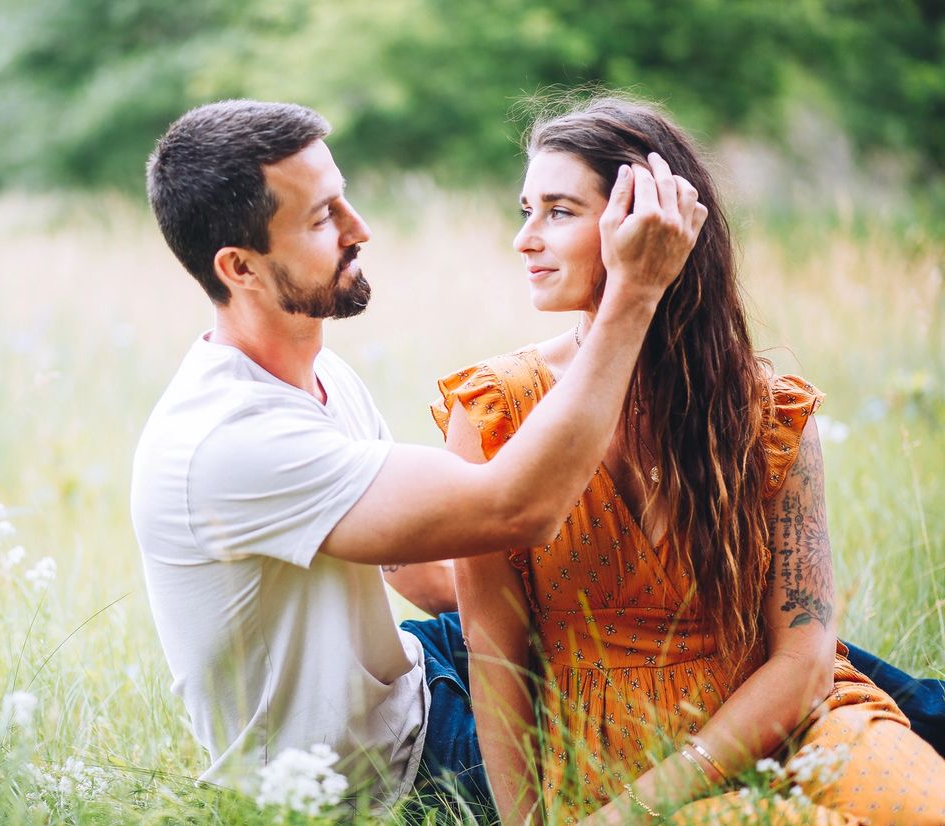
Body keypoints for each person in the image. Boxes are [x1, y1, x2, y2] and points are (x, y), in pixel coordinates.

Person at [129, 99, 706, 812]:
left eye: (343, 199)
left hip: (418, 675)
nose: (358, 229)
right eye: (321, 219)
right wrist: (635, 293)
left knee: (706, 652)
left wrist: (652, 629)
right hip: (381, 777)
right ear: (241, 268)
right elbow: (517, 507)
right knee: (680, 766)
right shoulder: (230, 442)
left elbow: (433, 579)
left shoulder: (319, 378)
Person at [434, 95, 945, 824]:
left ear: (653, 223)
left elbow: (803, 660)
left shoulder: (766, 410)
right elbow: (495, 657)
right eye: (526, 209)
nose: (525, 239)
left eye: (558, 211)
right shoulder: (495, 409)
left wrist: (673, 786)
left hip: (798, 723)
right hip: (612, 753)